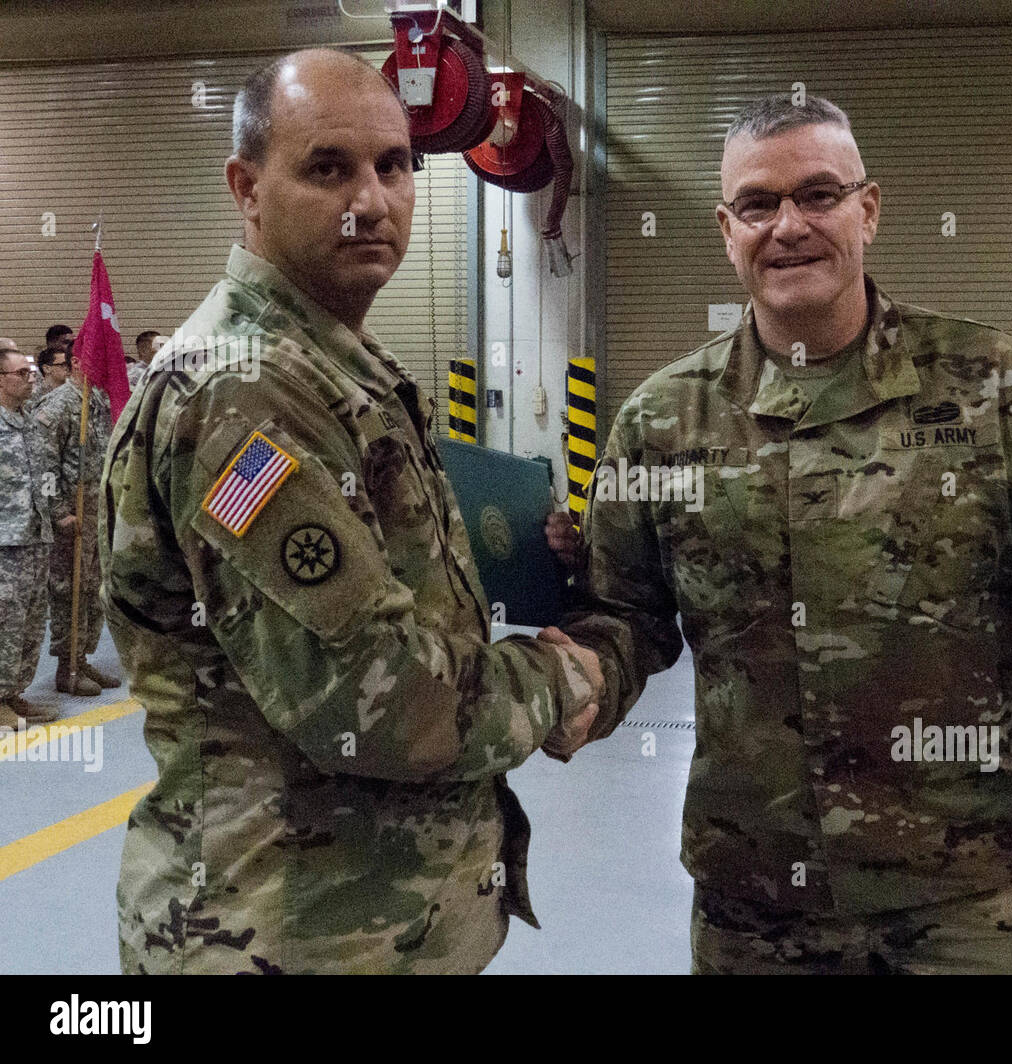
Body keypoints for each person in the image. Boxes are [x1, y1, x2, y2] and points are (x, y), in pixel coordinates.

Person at [549, 94, 1012, 974]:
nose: (788, 226)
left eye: (818, 194)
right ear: (725, 228)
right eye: (758, 204)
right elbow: (628, 617)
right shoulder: (661, 420)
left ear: (869, 209)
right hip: (757, 905)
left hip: (974, 897)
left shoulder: (994, 389)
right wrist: (575, 680)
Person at [100, 48, 602, 975]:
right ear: (246, 188)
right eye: (327, 168)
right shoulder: (242, 391)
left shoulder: (335, 365)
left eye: (395, 166)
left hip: (375, 926)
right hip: (281, 937)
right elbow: (380, 699)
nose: (371, 199)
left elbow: (396, 586)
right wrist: (559, 681)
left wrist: (529, 559)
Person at [33, 352, 116, 695]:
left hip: (95, 512)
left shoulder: (95, 401)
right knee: (70, 591)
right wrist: (58, 512)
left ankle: (81, 657)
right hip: (72, 516)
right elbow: (44, 465)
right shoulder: (58, 406)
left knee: (92, 589)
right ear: (77, 364)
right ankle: (66, 668)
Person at [0, 343, 57, 729]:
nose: (31, 378)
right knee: (5, 621)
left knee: (31, 620)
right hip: (5, 543)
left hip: (36, 536)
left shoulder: (29, 421)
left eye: (32, 372)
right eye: (22, 373)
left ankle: (14, 691)